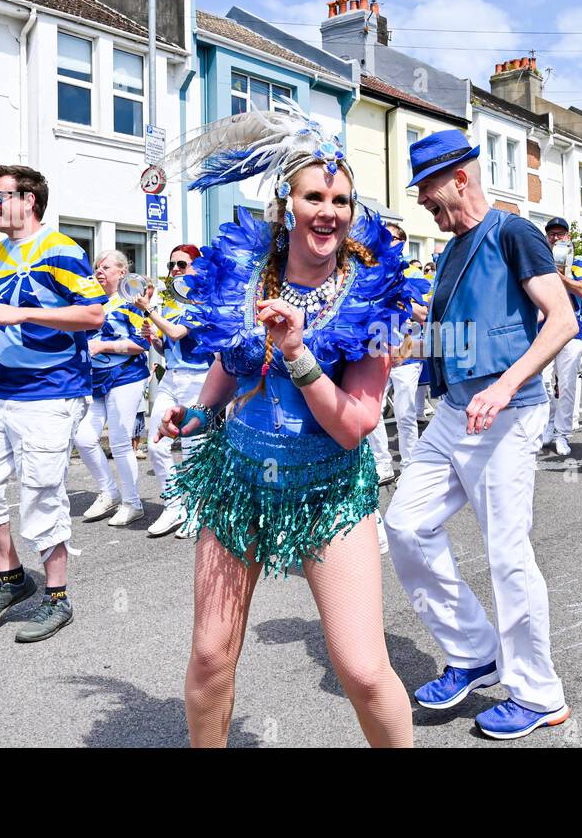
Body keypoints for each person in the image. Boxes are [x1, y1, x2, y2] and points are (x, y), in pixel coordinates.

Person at [158, 108, 414, 748]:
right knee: (211, 657)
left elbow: (355, 426)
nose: (329, 212)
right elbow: (226, 360)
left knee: (361, 669)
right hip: (238, 481)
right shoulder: (243, 271)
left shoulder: (378, 296)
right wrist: (194, 415)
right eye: (315, 197)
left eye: (342, 200)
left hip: (330, 489)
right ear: (285, 203)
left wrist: (299, 353)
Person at [384, 130, 578, 740]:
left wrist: (503, 387)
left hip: (508, 412)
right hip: (454, 414)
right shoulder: (448, 253)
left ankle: (539, 694)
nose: (422, 203)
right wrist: (391, 351)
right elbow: (459, 337)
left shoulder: (513, 233)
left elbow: (562, 320)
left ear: (460, 179)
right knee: (405, 525)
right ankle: (474, 650)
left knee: (507, 555)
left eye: (427, 191)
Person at [0, 162, 106, 643]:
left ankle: (57, 598)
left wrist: (25, 312)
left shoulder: (61, 249)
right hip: (1, 391)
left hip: (53, 392)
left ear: (28, 200)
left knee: (40, 492)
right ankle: (13, 577)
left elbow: (94, 313)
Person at [133, 243, 208, 538]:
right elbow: (169, 346)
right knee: (156, 443)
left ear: (197, 268)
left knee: (192, 450)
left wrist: (151, 312)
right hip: (172, 378)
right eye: (171, 265)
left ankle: (197, 509)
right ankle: (175, 505)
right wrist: (153, 338)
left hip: (199, 379)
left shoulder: (205, 299)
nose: (175, 270)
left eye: (181, 264)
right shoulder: (174, 303)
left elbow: (177, 332)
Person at [74, 249, 151, 527]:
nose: (99, 271)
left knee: (119, 441)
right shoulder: (91, 303)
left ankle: (133, 503)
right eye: (97, 267)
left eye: (106, 267)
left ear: (122, 272)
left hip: (127, 375)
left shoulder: (131, 303)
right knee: (83, 438)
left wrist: (104, 345)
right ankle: (109, 492)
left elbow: (142, 343)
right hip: (96, 379)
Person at [366, 223, 430, 484]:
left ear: (402, 241)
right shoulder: (370, 269)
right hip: (376, 352)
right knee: (373, 413)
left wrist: (401, 298)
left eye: (390, 237)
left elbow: (424, 315)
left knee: (404, 414)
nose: (385, 241)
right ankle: (382, 464)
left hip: (407, 353)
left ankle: (409, 464)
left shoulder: (411, 272)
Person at [540, 216, 582, 457]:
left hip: (572, 330)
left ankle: (562, 434)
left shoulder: (578, 260)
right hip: (544, 330)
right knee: (542, 382)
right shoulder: (539, 258)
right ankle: (548, 424)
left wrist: (557, 274)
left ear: (568, 236)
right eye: (552, 234)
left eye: (561, 233)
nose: (556, 237)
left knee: (568, 385)